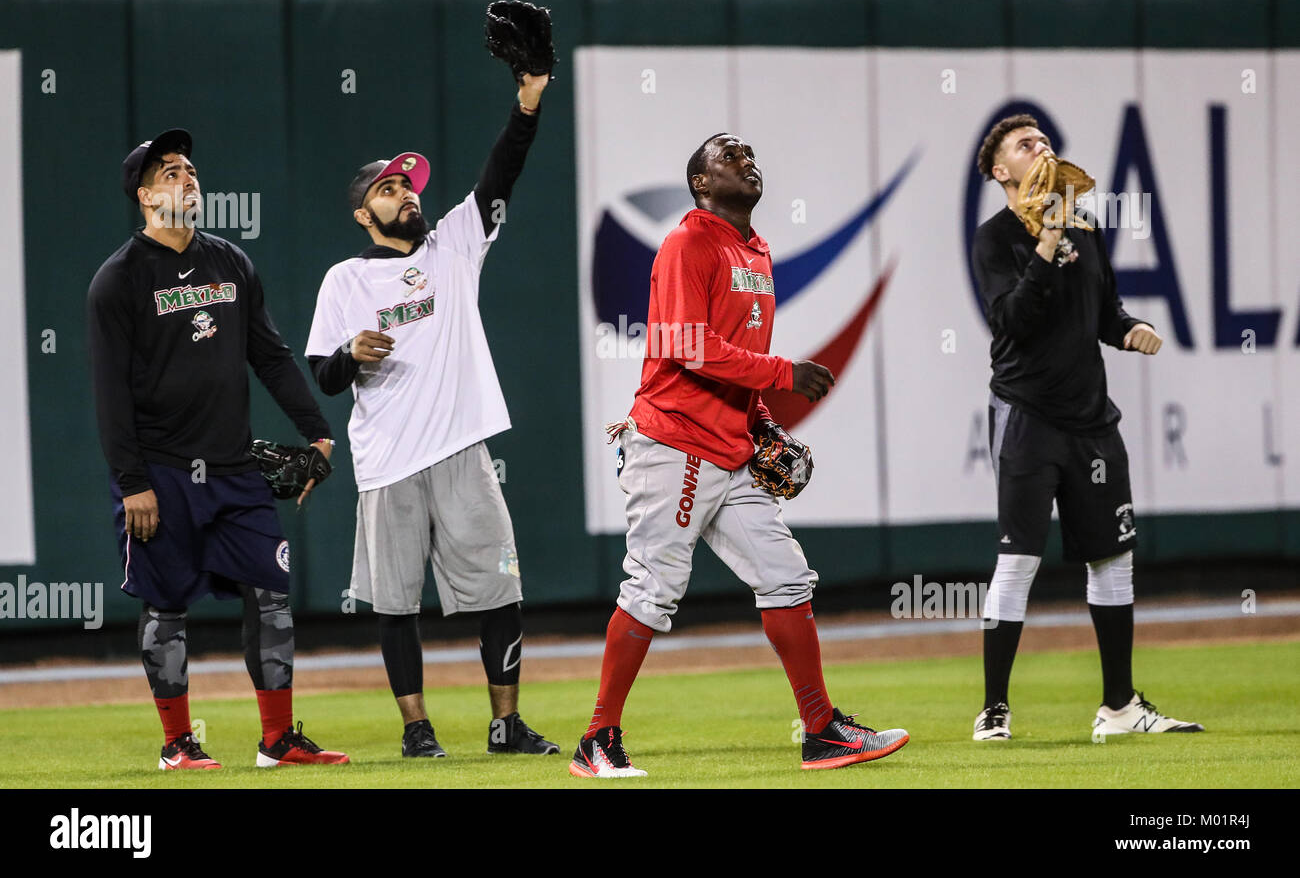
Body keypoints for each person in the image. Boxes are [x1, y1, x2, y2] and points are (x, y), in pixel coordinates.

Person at [569, 132, 910, 777]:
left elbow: (733, 361)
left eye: (749, 153)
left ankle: (822, 732)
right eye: (728, 156)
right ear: (701, 182)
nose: (746, 161)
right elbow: (688, 349)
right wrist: (783, 376)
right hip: (674, 444)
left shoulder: (755, 249)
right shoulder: (687, 242)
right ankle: (598, 739)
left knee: (786, 580)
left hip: (728, 447)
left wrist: (760, 426)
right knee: (652, 590)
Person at [305, 74, 559, 759]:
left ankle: (504, 724)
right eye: (387, 189)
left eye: (408, 184)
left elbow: (503, 169)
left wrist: (527, 99)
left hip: (460, 454)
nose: (405, 193)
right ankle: (418, 729)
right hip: (387, 462)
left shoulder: (453, 247)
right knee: (395, 604)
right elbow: (323, 377)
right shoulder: (345, 279)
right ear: (363, 213)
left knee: (502, 590)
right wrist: (352, 353)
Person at [88, 128, 349, 770]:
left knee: (272, 594)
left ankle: (277, 740)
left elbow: (270, 354)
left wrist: (314, 427)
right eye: (171, 172)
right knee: (167, 604)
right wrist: (131, 481)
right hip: (162, 472)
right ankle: (177, 743)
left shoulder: (230, 261)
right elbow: (109, 394)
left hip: (234, 468)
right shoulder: (117, 281)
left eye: (191, 170)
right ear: (146, 196)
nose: (187, 179)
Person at [970, 114, 1203, 741]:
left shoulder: (1086, 227)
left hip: (1091, 421)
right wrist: (1045, 242)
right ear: (1000, 170)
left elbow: (1104, 308)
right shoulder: (995, 240)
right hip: (1027, 415)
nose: (1040, 148)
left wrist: (1129, 329)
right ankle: (994, 709)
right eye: (1025, 145)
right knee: (1018, 563)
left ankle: (1120, 707)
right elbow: (1014, 322)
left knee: (1113, 560)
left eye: (1044, 140)